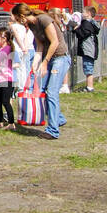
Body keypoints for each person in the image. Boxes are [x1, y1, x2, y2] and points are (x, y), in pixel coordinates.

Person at [34, 8, 70, 138]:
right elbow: (40, 46)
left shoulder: (44, 20)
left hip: (59, 58)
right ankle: (59, 118)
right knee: (41, 89)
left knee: (52, 91)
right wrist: (35, 64)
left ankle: (53, 130)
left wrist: (45, 62)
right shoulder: (33, 25)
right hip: (48, 59)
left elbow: (54, 42)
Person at [9, 3, 37, 100]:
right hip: (23, 49)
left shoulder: (14, 26)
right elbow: (24, 37)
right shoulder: (23, 27)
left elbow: (17, 37)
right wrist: (25, 47)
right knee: (24, 69)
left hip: (17, 49)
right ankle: (24, 88)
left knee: (18, 69)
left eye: (11, 15)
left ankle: (19, 88)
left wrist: (22, 47)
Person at [0, 27, 16, 129]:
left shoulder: (8, 48)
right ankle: (0, 122)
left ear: (4, 38)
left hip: (6, 79)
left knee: (5, 102)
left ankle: (11, 123)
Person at [73, 6, 101, 93]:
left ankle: (90, 87)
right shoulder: (92, 24)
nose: (82, 14)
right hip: (90, 49)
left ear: (88, 14)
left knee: (88, 68)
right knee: (88, 67)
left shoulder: (87, 24)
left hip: (88, 49)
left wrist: (76, 29)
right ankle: (89, 86)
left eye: (83, 12)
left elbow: (83, 33)